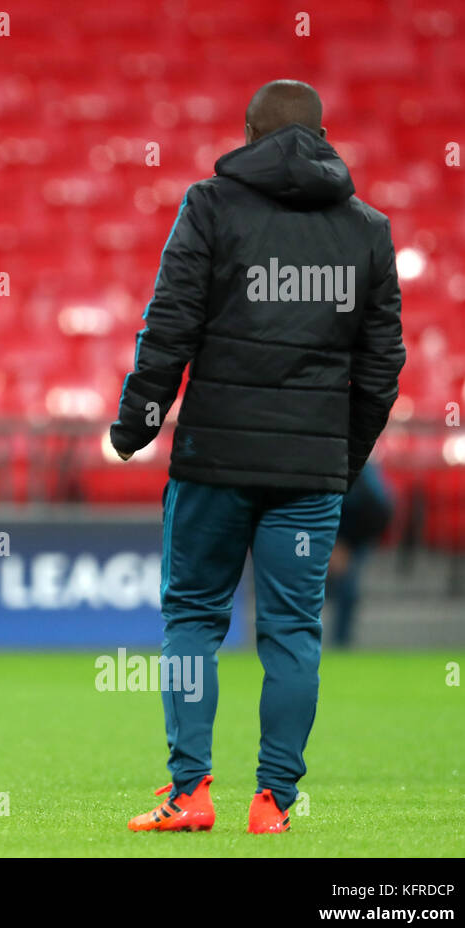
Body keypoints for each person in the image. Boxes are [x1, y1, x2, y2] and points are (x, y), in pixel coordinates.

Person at [110, 80, 405, 833]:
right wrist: (340, 459)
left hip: (213, 462)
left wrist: (135, 426)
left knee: (193, 619)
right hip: (307, 476)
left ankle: (190, 794)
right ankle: (273, 801)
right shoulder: (367, 228)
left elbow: (168, 326)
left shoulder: (210, 206)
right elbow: (383, 366)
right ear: (322, 136)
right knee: (292, 633)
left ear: (247, 134)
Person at [326, 460, 394, 647]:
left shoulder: (362, 479)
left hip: (353, 535)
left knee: (347, 588)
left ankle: (341, 643)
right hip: (324, 533)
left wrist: (343, 545)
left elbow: (378, 511)